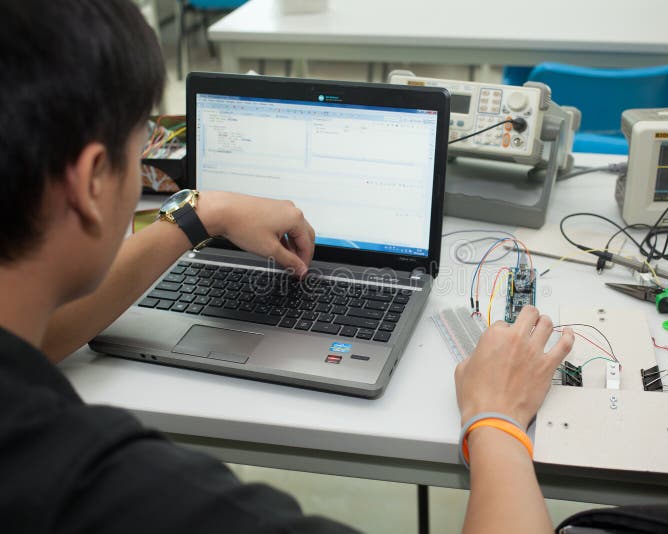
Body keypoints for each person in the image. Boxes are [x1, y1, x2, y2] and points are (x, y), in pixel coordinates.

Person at [0, 0, 574, 532]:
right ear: (92, 180)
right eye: (143, 143)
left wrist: (204, 211)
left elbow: (41, 336)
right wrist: (496, 423)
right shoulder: (133, 495)